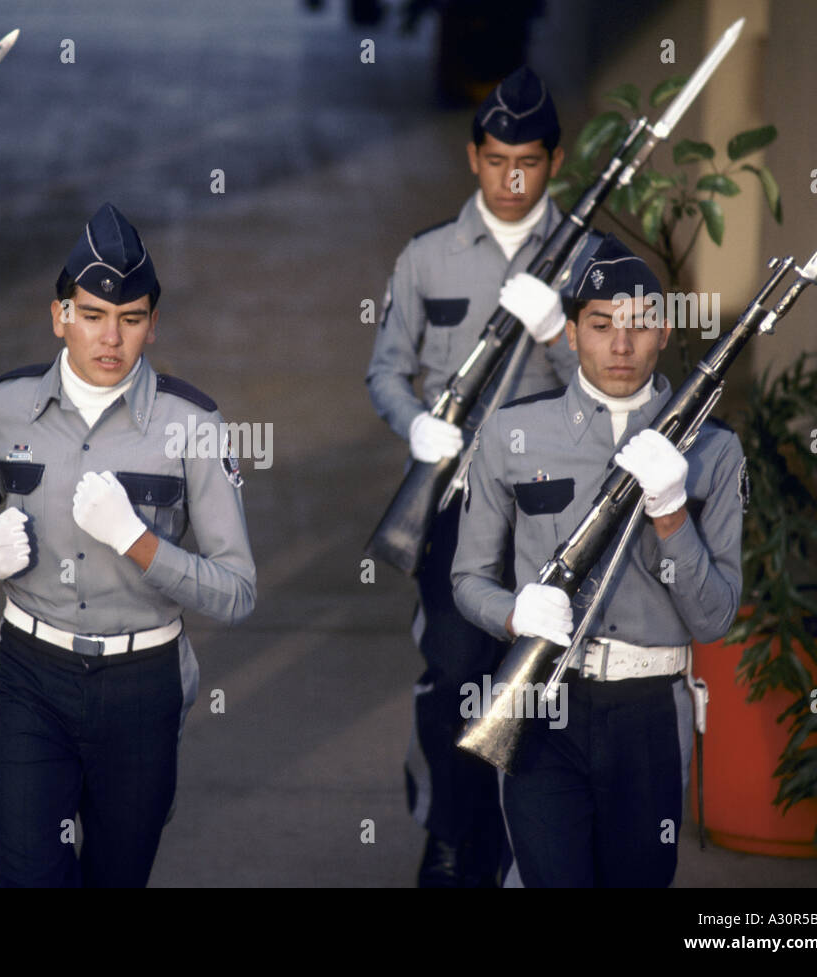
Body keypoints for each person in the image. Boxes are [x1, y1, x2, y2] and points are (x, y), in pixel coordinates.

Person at [0, 203, 256, 887]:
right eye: (91, 315)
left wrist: (140, 543)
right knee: (29, 877)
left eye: (131, 319)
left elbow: (237, 590)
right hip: (30, 673)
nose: (110, 337)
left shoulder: (193, 423)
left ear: (151, 324)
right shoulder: (2, 407)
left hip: (143, 684)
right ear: (60, 316)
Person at [450, 235, 745, 887]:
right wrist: (512, 611)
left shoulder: (716, 452)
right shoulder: (512, 433)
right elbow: (467, 578)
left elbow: (716, 617)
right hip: (544, 698)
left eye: (638, 325)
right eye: (601, 324)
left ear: (664, 330)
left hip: (649, 710)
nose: (620, 345)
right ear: (573, 330)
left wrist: (671, 512)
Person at [365, 65, 589, 886]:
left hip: (551, 509)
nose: (512, 177)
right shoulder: (425, 257)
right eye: (496, 158)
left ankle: (531, 846)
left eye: (528, 160)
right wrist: (415, 422)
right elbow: (385, 370)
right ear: (472, 158)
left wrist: (564, 336)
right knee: (456, 672)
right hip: (452, 503)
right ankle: (453, 834)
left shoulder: (591, 260)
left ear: (554, 161)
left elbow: (626, 388)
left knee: (549, 681)